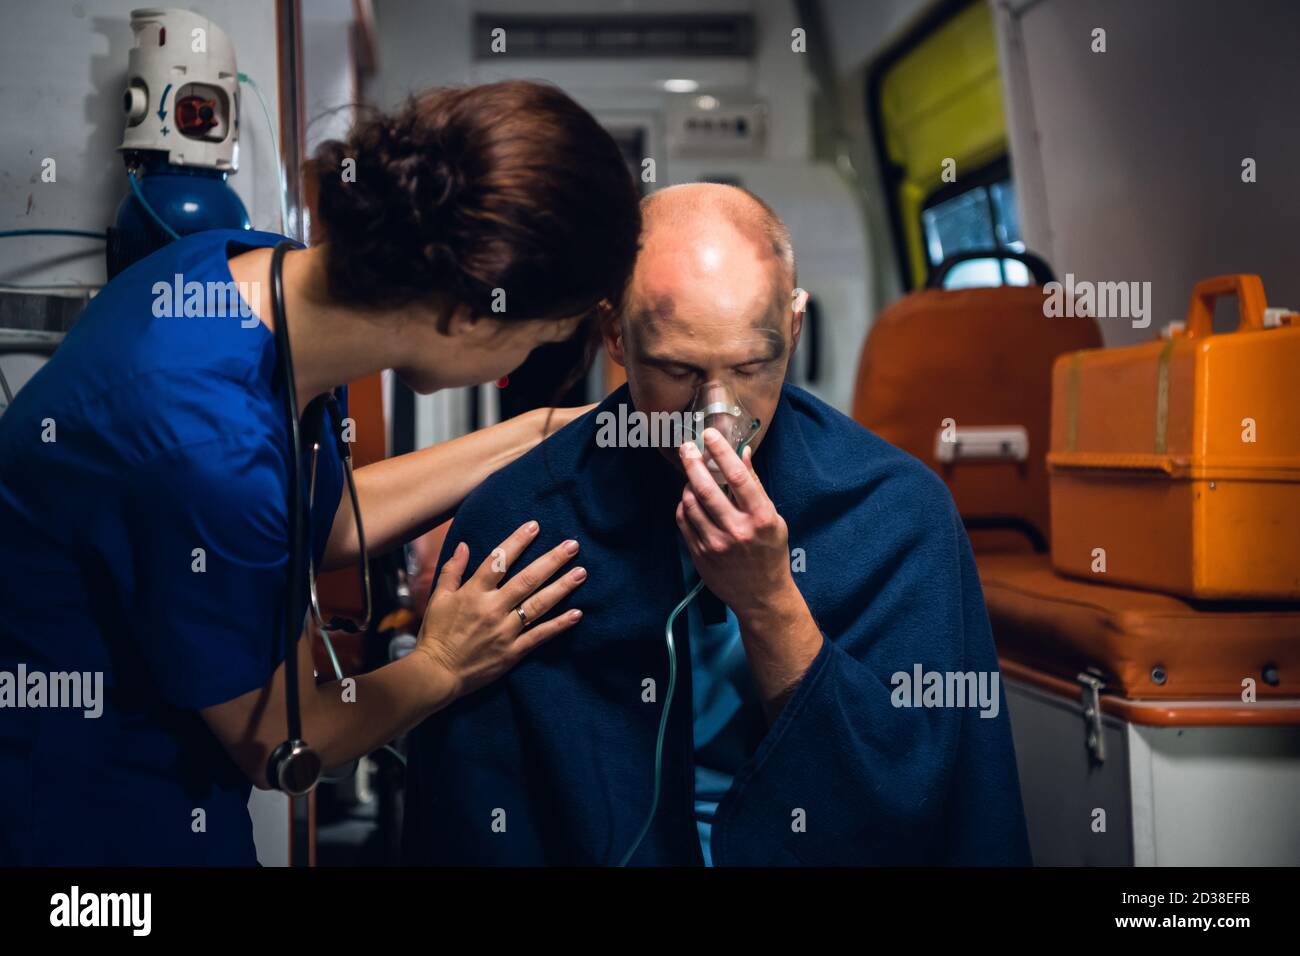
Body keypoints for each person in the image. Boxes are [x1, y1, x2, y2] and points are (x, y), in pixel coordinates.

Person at [0, 80, 641, 865]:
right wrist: (443, 664)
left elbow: (324, 521)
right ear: (471, 315)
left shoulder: (252, 276)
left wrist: (543, 432)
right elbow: (278, 739)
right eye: (540, 339)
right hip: (84, 823)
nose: (527, 361)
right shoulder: (203, 446)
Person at [402, 183, 1031, 865]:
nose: (717, 416)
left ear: (794, 326)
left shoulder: (898, 511)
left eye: (752, 366)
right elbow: (473, 812)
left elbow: (919, 796)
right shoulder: (523, 514)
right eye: (677, 371)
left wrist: (770, 604)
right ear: (615, 334)